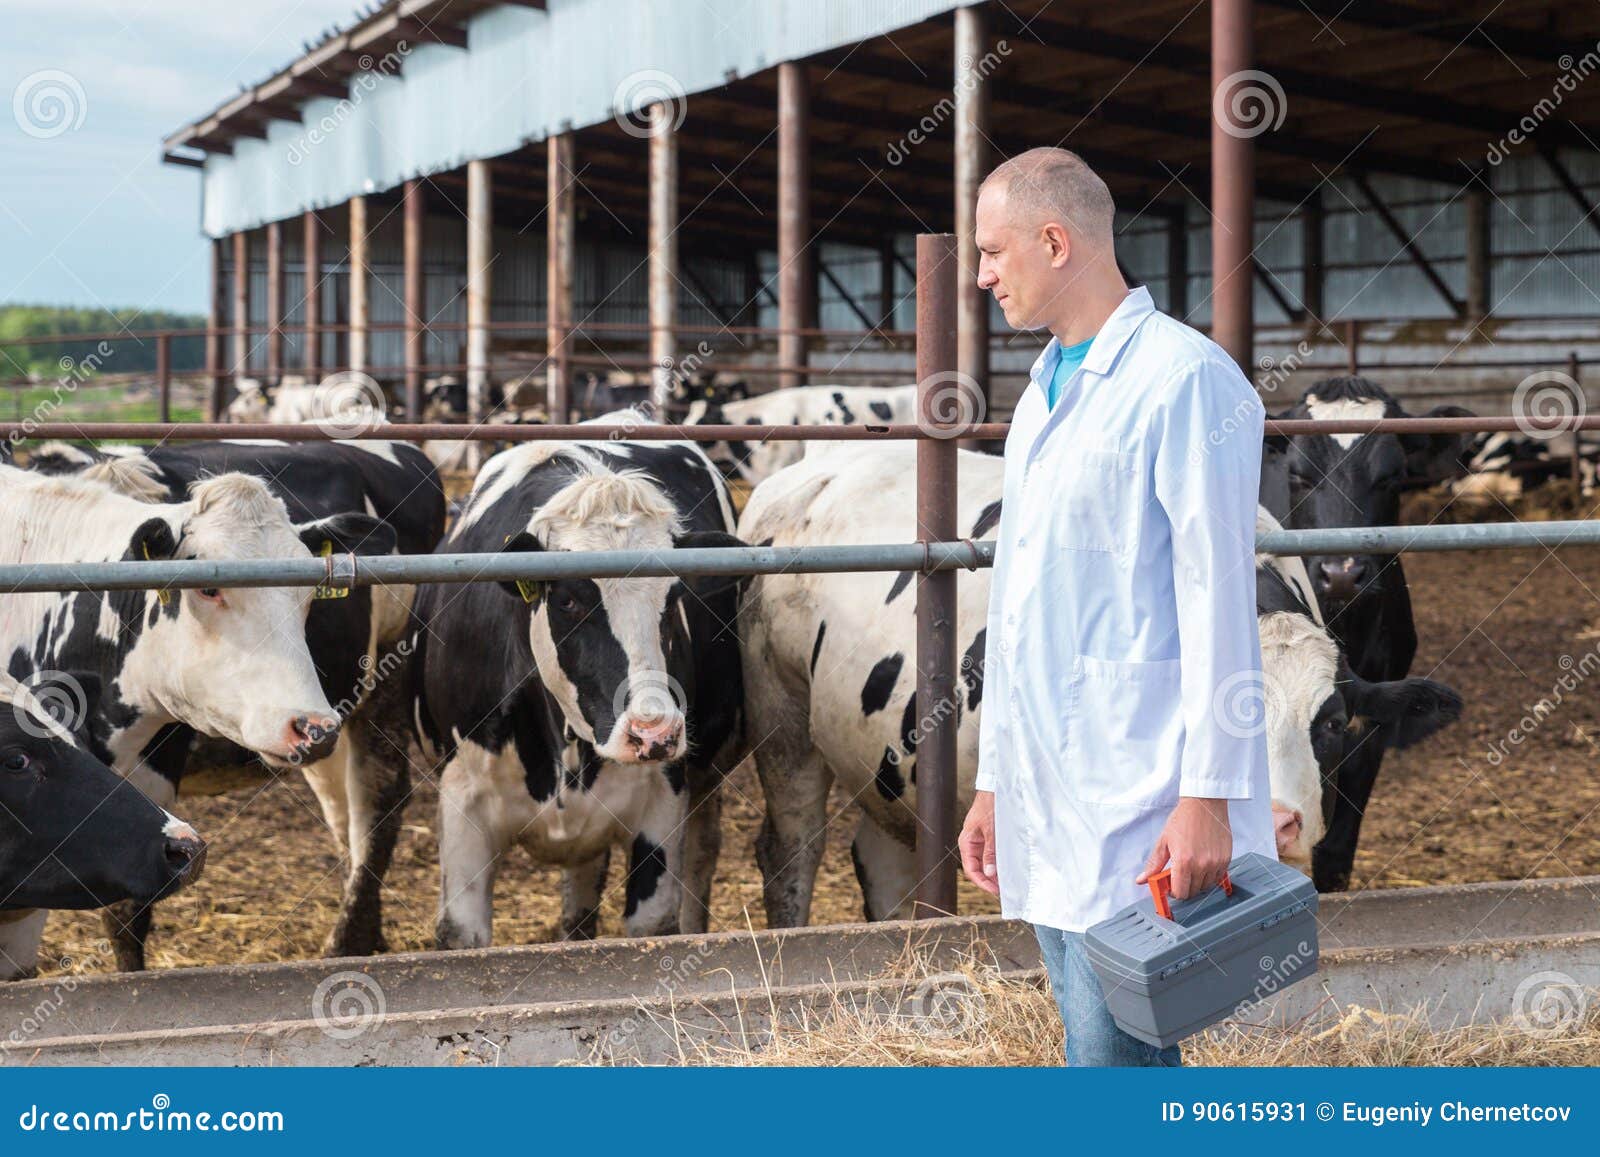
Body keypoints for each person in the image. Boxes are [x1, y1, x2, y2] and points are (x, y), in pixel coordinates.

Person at [958, 147, 1275, 1067]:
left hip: (1143, 788)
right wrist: (992, 781)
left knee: (1116, 1058)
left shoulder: (1185, 379)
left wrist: (1208, 796)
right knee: (1089, 1040)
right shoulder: (1042, 391)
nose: (980, 275)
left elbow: (1219, 595)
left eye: (992, 251)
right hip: (1050, 786)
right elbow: (1017, 604)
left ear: (1054, 241)